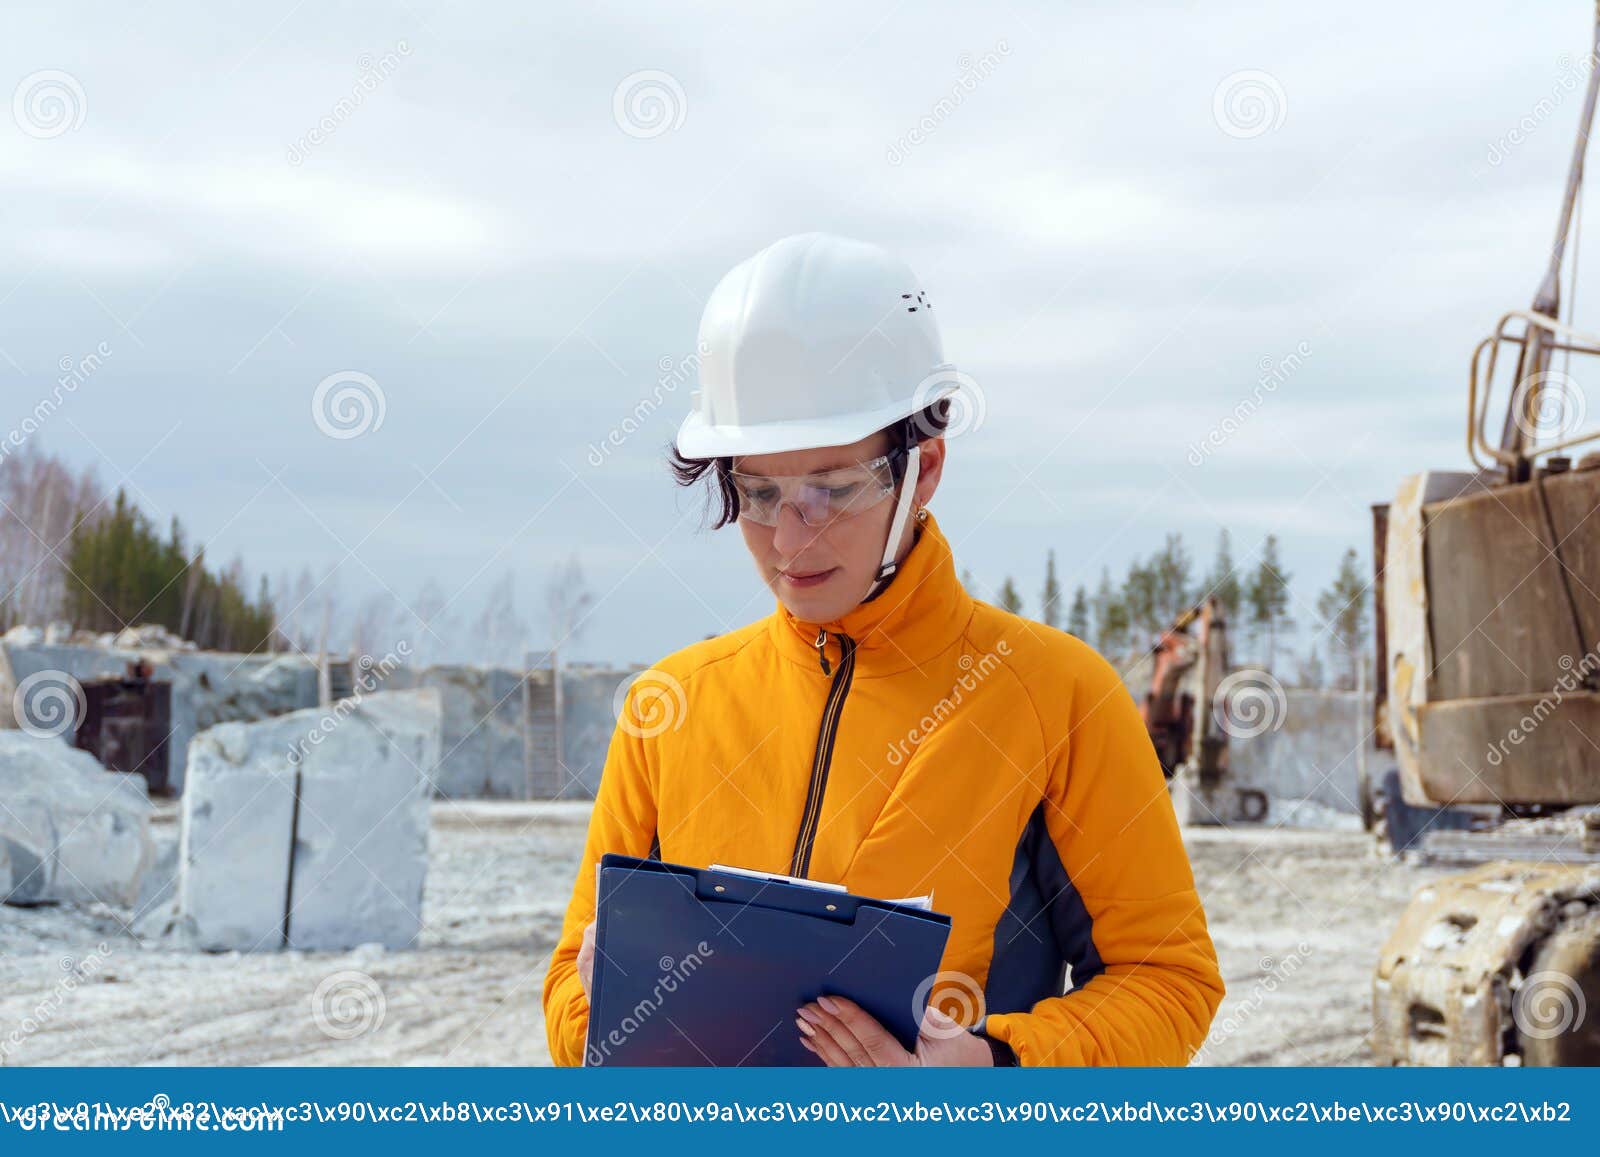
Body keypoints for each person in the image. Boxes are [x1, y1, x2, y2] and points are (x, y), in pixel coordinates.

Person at [542, 232, 1224, 1066]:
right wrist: (603, 1012)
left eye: (833, 488)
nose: (790, 537)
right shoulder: (676, 704)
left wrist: (992, 1067)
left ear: (923, 468)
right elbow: (569, 985)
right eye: (758, 493)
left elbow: (1168, 982)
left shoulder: (1058, 696)